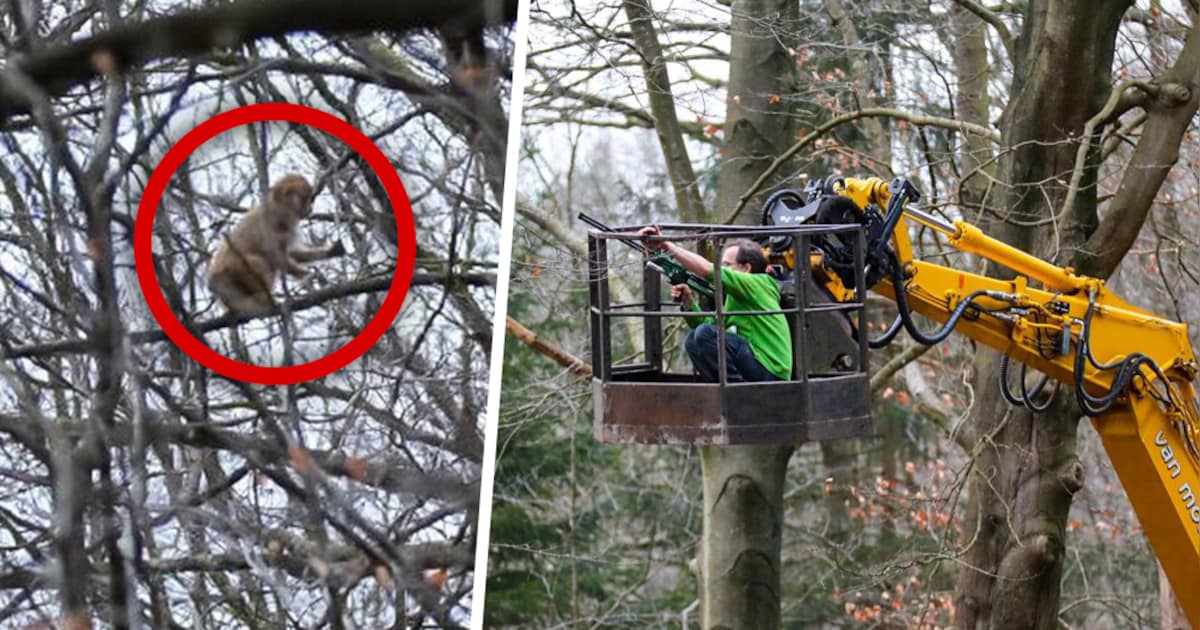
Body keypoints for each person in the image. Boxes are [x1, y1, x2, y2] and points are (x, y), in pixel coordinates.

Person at [639, 226, 792, 383]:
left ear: (746, 268)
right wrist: (688, 301)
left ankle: (735, 392)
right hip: (756, 363)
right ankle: (721, 388)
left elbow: (708, 270)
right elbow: (709, 326)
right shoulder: (737, 296)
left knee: (704, 333)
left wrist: (667, 245)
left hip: (771, 371)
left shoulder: (759, 284)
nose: (722, 269)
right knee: (693, 339)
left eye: (726, 265)